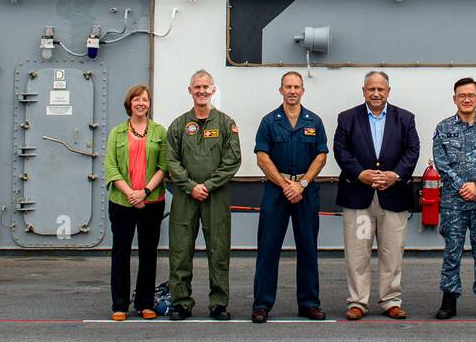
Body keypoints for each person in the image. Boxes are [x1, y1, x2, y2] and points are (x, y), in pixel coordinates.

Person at [332, 70, 420, 320]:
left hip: (393, 196)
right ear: (364, 91)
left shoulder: (405, 118)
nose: (376, 93)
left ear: (388, 91)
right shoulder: (347, 118)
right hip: (358, 197)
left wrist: (395, 175)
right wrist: (360, 174)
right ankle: (358, 302)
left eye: (381, 89)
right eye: (371, 89)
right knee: (357, 253)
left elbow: (413, 150)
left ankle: (390, 300)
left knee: (392, 253)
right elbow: (341, 150)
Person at [251, 71, 328, 323]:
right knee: (268, 248)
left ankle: (309, 303)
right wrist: (285, 184)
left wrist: (302, 184)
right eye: (288, 87)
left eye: (297, 87)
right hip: (276, 191)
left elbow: (321, 156)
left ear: (303, 90)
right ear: (281, 90)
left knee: (307, 248)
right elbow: (262, 157)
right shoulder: (269, 121)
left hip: (306, 192)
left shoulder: (313, 121)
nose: (292, 91)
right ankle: (262, 304)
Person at [165, 70, 242, 320]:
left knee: (218, 249)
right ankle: (181, 302)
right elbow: (171, 161)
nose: (201, 91)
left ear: (213, 90)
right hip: (185, 196)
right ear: (190, 91)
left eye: (205, 87)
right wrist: (190, 186)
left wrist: (208, 185)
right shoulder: (178, 125)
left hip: (216, 196)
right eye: (197, 87)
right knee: (180, 249)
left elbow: (232, 161)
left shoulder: (225, 124)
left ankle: (218, 303)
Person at [431, 77, 476, 320]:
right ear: (454, 99)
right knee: (452, 250)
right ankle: (449, 299)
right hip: (453, 202)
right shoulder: (443, 128)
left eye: (471, 95)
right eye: (461, 95)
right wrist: (463, 185)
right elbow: (441, 164)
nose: (466, 99)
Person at [103, 84, 168, 321]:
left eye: (145, 100)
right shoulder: (117, 133)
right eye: (136, 100)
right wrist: (131, 193)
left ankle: (144, 303)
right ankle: (119, 304)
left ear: (149, 104)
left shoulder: (160, 132)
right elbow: (110, 167)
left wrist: (145, 192)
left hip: (152, 202)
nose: (141, 103)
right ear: (129, 104)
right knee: (121, 252)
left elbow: (164, 166)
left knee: (148, 253)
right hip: (122, 201)